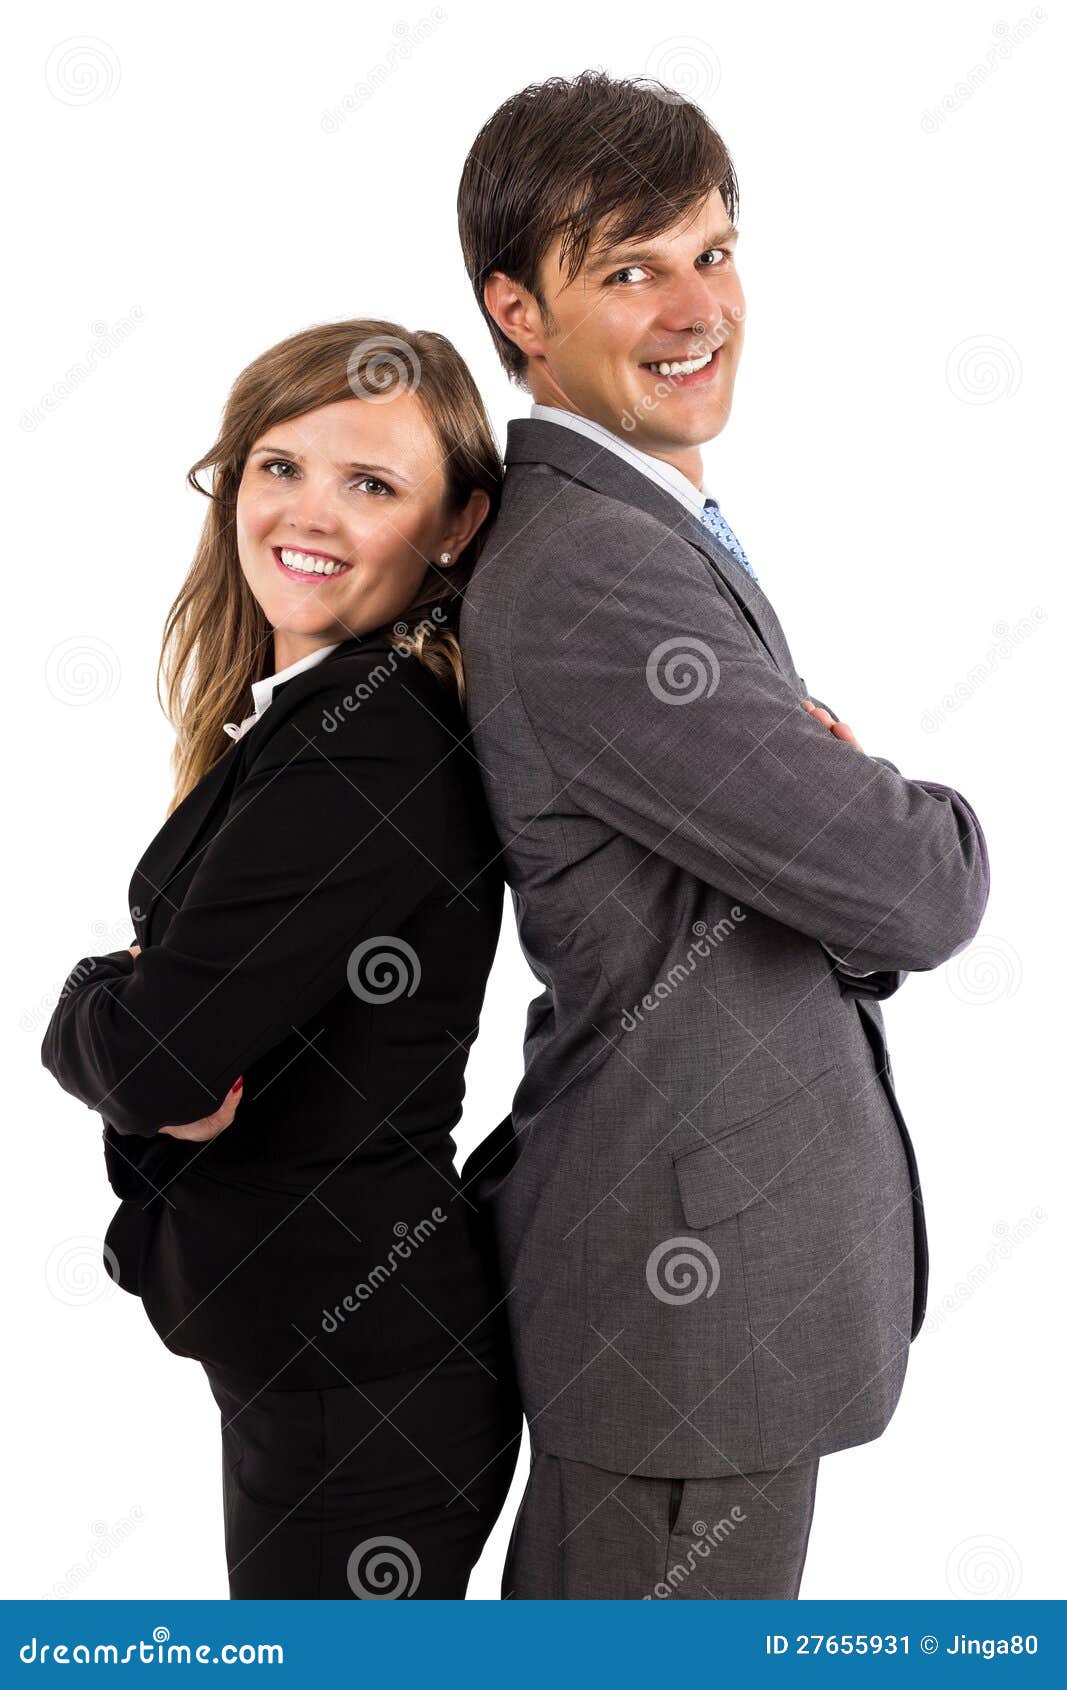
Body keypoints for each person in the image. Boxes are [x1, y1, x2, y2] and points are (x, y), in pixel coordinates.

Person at [455, 71, 991, 1599]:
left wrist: (833, 842)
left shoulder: (637, 529)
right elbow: (912, 883)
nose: (696, 305)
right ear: (520, 311)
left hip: (707, 1295)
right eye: (626, 268)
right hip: (676, 1318)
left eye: (712, 247)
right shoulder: (591, 575)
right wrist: (909, 812)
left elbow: (783, 874)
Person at [41, 319, 521, 1599]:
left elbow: (154, 1060)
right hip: (319, 1367)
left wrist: (89, 996)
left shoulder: (365, 743)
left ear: (457, 525)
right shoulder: (311, 718)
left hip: (360, 1389)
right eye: (279, 464)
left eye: (370, 484)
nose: (305, 514)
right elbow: (170, 1059)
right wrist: (136, 1005)